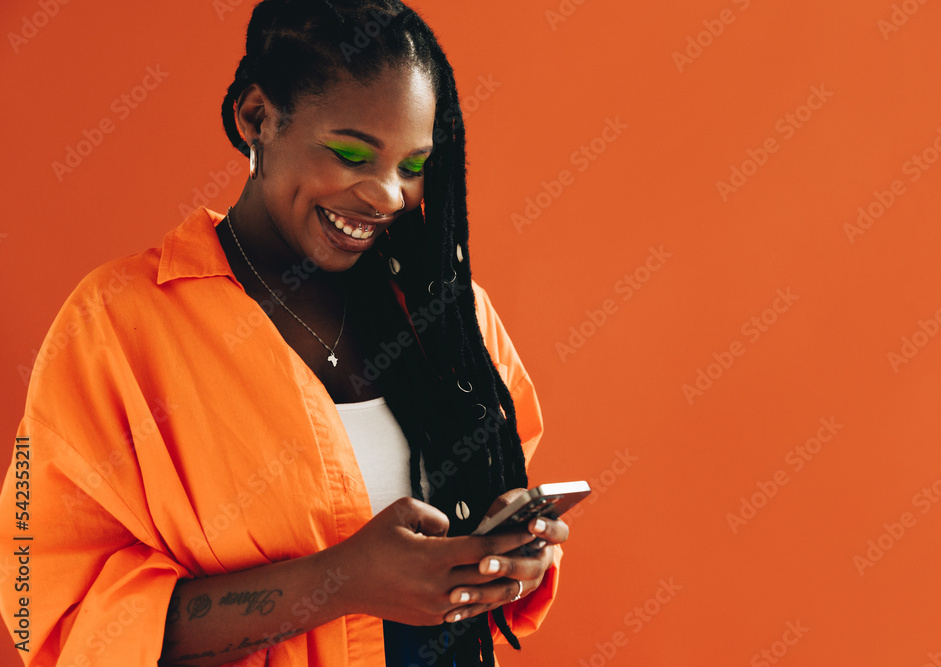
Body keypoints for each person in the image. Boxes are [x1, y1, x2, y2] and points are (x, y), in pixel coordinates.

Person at [0, 1, 569, 665]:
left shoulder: (447, 313)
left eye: (413, 166)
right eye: (352, 152)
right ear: (257, 118)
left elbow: (502, 478)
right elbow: (54, 610)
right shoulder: (118, 325)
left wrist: (509, 562)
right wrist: (340, 583)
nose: (387, 195)